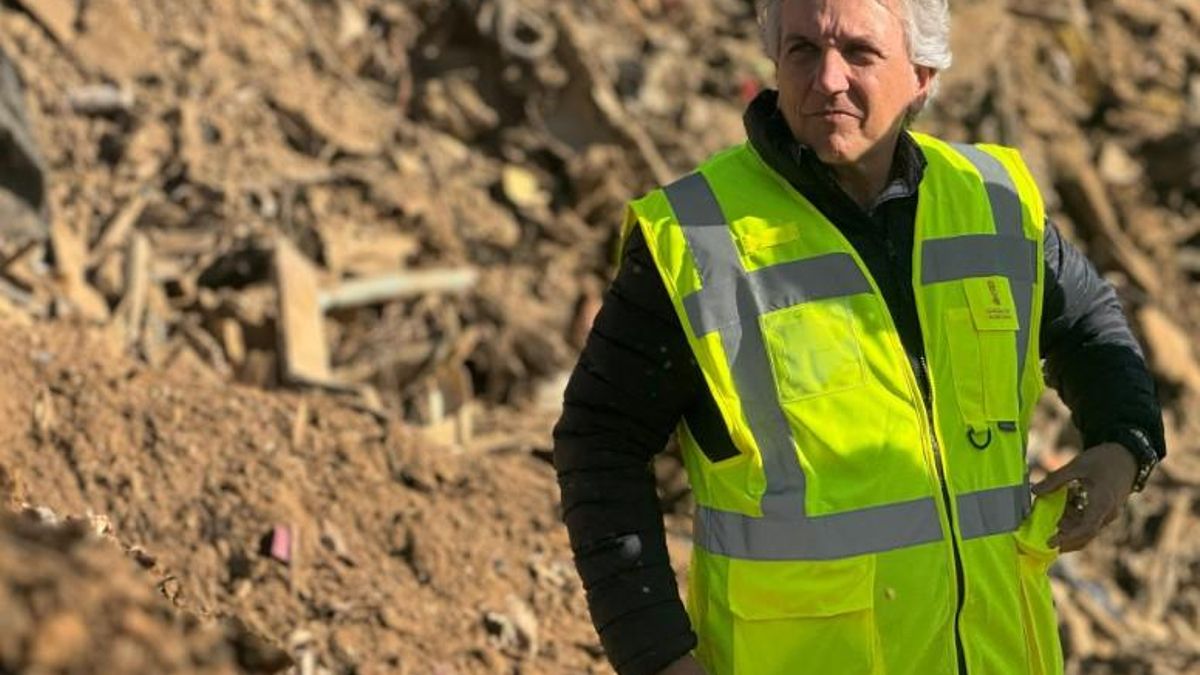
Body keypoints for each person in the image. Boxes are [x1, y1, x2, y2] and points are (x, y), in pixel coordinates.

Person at [553, 0, 1165, 673]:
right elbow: (600, 443)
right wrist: (657, 657)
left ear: (923, 74)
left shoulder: (992, 203)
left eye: (859, 52)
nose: (828, 79)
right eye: (802, 50)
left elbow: (1090, 323)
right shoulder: (697, 238)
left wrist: (1123, 445)